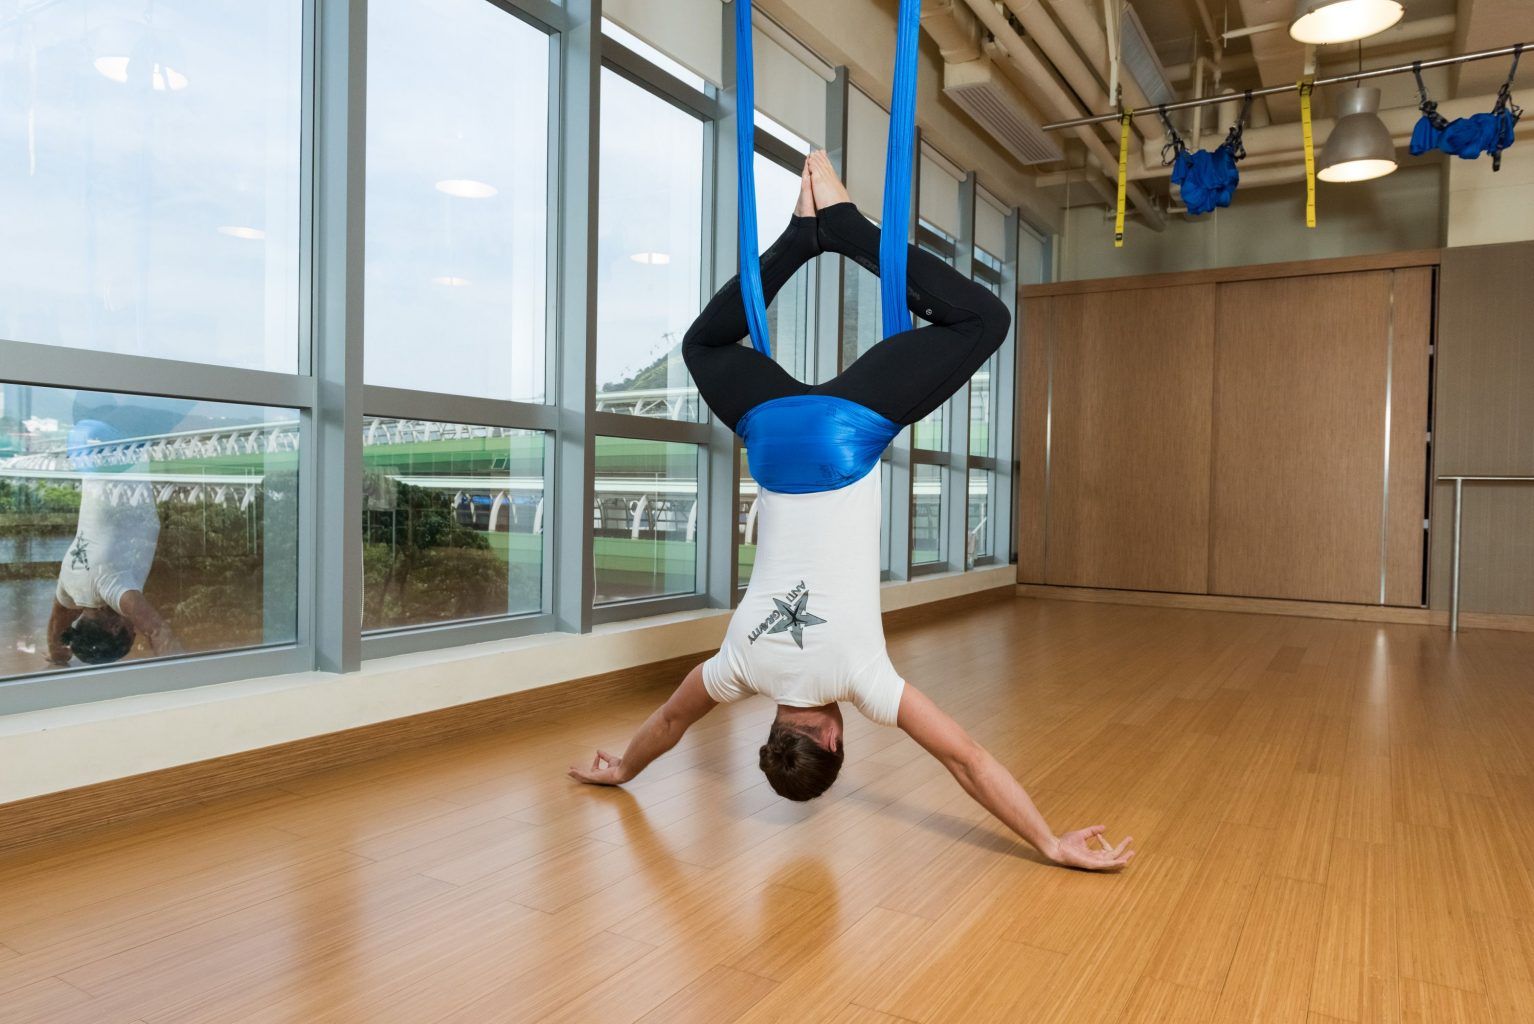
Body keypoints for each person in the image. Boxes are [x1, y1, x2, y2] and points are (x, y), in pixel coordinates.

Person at [570, 152, 1133, 872]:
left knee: (983, 319)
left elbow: (966, 760)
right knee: (701, 344)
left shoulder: (862, 678)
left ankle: (839, 225)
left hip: (843, 433)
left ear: (832, 740)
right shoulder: (737, 666)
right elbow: (672, 722)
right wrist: (620, 768)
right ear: (775, 733)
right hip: (771, 436)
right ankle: (800, 239)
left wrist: (1051, 843)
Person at [45, 416, 180, 667]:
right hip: (84, 443)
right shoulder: (70, 589)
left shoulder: (113, 586)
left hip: (119, 445)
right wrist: (58, 659)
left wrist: (182, 679)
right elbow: (56, 623)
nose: (135, 627)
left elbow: (158, 631)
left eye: (132, 631)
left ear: (115, 627)